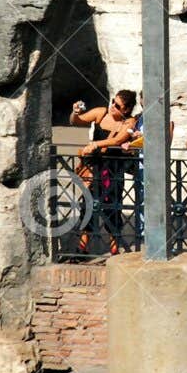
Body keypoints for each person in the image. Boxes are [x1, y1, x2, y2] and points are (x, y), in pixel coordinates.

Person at [69, 89, 138, 254]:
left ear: (126, 110)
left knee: (112, 207)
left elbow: (117, 140)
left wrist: (96, 144)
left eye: (118, 105)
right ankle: (82, 248)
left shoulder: (129, 122)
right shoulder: (101, 113)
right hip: (95, 167)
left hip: (113, 169)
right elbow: (76, 121)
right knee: (88, 204)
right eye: (113, 102)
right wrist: (75, 112)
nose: (113, 106)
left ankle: (114, 248)